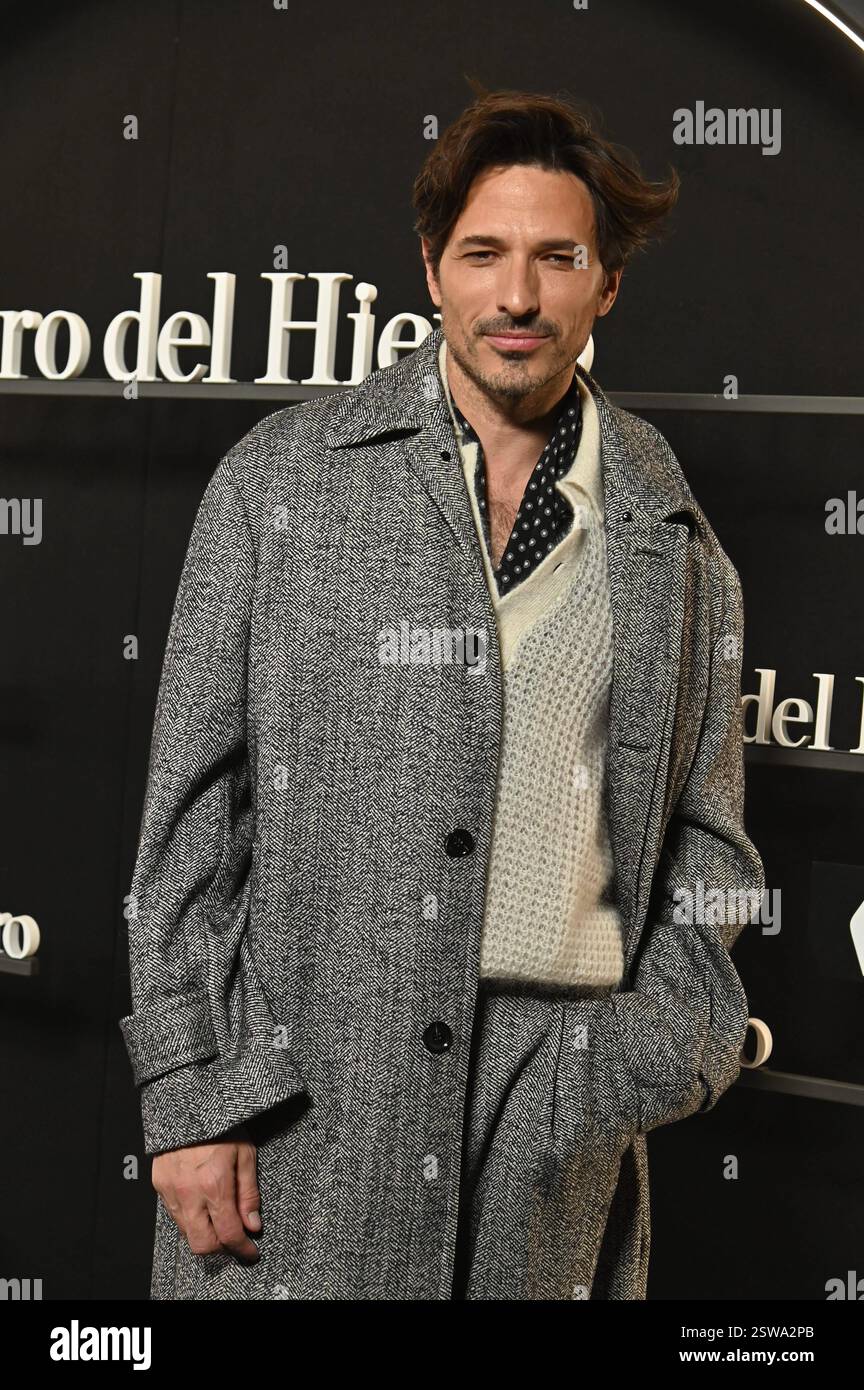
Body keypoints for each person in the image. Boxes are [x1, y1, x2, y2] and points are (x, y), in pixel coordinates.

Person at [119, 88, 765, 1300]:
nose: (517, 296)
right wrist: (193, 1092)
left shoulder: (676, 547)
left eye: (556, 258)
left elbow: (712, 851)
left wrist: (630, 1064)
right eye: (484, 253)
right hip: (298, 1121)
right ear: (431, 269)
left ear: (605, 284)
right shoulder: (278, 485)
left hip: (547, 1144)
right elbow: (189, 822)